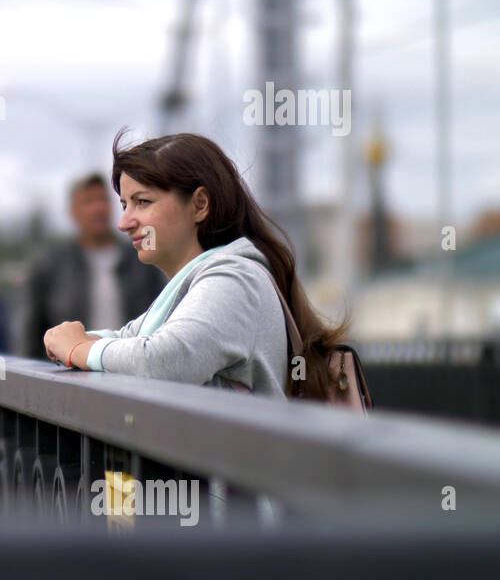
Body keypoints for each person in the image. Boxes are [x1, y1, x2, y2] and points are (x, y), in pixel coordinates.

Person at [41, 131, 350, 399]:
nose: (123, 223)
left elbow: (164, 361)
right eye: (124, 205)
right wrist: (74, 341)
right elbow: (130, 341)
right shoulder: (193, 287)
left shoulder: (233, 280)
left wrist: (77, 349)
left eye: (142, 202)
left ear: (200, 205)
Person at [22, 172, 167, 357]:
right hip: (70, 376)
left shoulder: (143, 260)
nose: (98, 208)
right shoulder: (50, 267)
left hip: (133, 371)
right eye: (88, 201)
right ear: (72, 212)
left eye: (103, 199)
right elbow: (31, 331)